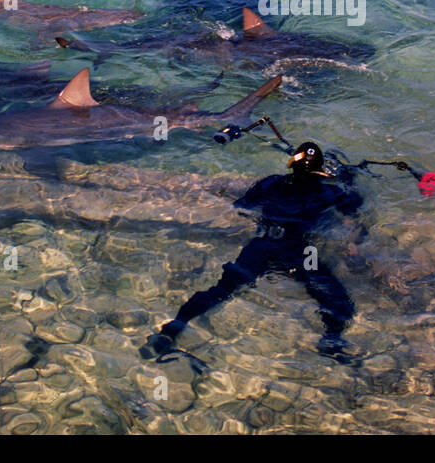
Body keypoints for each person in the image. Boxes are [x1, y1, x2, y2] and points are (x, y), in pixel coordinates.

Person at [140, 142, 364, 363]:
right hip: (301, 251)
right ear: (319, 172)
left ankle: (172, 329)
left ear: (291, 166)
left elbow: (242, 206)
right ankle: (331, 339)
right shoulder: (328, 191)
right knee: (335, 298)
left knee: (222, 290)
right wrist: (349, 179)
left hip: (262, 245)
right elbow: (353, 206)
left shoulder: (271, 183)